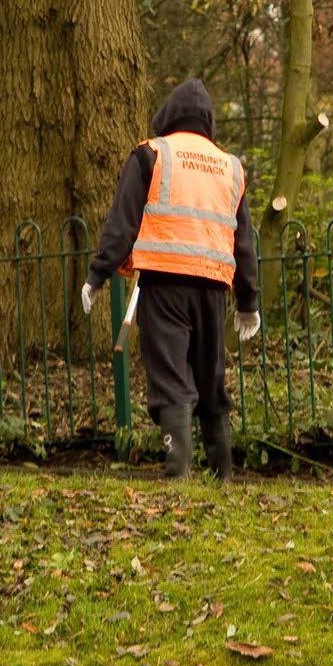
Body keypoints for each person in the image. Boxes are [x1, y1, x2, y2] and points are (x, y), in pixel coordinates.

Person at [81, 79, 259, 480]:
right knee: (210, 377)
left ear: (169, 115)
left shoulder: (151, 154)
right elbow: (243, 240)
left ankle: (178, 465)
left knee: (171, 376)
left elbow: (122, 221)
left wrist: (98, 273)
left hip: (163, 284)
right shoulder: (231, 167)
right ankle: (222, 472)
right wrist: (248, 301)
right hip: (214, 286)